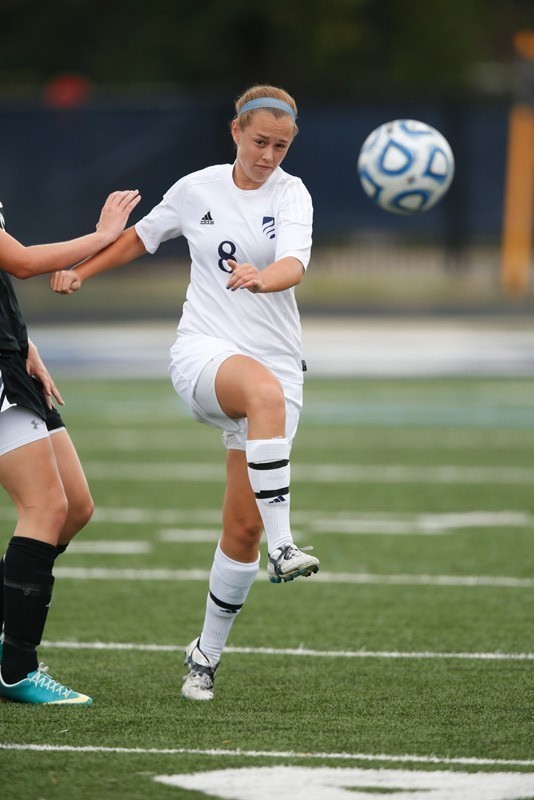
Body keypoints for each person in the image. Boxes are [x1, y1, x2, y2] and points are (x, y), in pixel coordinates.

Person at [50, 84, 320, 701]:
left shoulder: (292, 193)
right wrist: (80, 270)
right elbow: (141, 238)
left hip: (279, 362)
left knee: (240, 527)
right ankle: (286, 547)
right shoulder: (197, 188)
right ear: (235, 132)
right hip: (204, 355)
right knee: (261, 392)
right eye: (260, 141)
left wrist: (262, 276)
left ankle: (204, 656)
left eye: (280, 145)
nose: (269, 154)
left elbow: (294, 265)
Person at [0, 188, 141, 704]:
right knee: (45, 506)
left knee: (74, 507)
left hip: (10, 356)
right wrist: (102, 237)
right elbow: (19, 262)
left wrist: (24, 342)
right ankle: (16, 668)